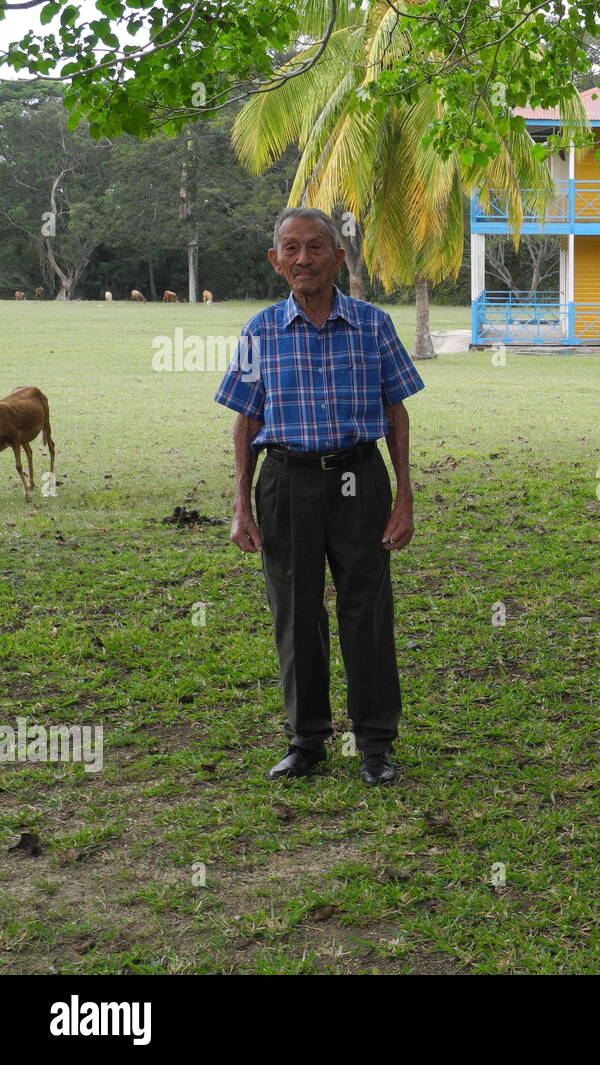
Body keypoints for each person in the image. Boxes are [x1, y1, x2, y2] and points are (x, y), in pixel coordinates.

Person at [214, 207, 424, 785]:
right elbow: (245, 421)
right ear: (275, 260)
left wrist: (404, 497)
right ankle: (306, 741)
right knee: (296, 613)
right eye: (290, 248)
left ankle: (375, 744)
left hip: (360, 480)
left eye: (314, 247)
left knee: (367, 612)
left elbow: (395, 411)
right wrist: (241, 505)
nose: (303, 259)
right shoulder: (260, 330)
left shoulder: (373, 324)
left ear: (336, 256)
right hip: (286, 483)